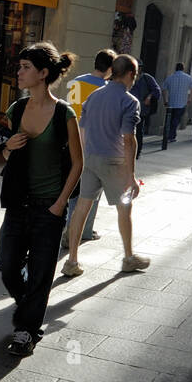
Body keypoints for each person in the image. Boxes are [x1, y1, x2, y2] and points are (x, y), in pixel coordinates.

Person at [0, 42, 83, 356]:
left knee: (42, 271)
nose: (19, 72)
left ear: (43, 74)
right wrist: (7, 148)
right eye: (20, 67)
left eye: (26, 67)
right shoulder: (16, 110)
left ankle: (27, 330)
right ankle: (28, 306)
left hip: (49, 206)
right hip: (19, 202)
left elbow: (79, 163)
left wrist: (60, 204)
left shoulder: (64, 114)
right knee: (6, 264)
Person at [61, 54, 149, 278]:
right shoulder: (130, 101)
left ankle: (71, 261)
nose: (134, 79)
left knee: (82, 207)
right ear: (130, 74)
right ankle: (129, 257)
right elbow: (128, 139)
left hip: (90, 157)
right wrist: (131, 176)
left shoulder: (93, 97)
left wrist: (82, 158)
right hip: (115, 162)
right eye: (135, 75)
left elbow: (82, 130)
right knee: (124, 208)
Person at [62, 49, 114, 248]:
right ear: (109, 68)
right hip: (92, 143)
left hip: (70, 138)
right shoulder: (106, 89)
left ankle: (68, 226)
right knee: (90, 191)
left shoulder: (77, 81)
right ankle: (83, 230)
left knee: (73, 187)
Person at [130, 65, 162, 156]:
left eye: (138, 66)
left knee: (138, 131)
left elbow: (157, 91)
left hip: (141, 109)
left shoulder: (146, 78)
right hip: (128, 108)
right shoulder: (129, 76)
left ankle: (137, 152)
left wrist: (149, 96)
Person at [160, 63, 192, 142]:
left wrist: (165, 100)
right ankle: (171, 136)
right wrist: (189, 99)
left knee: (169, 119)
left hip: (171, 103)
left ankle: (167, 135)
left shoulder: (169, 78)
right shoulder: (188, 78)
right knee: (176, 120)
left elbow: (164, 89)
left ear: (175, 68)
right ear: (183, 68)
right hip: (182, 103)